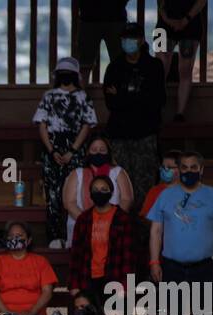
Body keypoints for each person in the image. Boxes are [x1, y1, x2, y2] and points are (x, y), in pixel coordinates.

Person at [147, 151, 213, 315]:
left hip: (203, 266)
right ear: (179, 170)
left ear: (201, 170)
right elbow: (156, 231)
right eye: (184, 167)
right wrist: (154, 262)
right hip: (171, 267)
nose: (189, 171)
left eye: (193, 167)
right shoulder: (165, 195)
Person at [33, 57, 96, 246]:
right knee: (53, 195)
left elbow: (87, 125)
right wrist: (52, 151)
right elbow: (41, 125)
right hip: (52, 148)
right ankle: (54, 238)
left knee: (75, 193)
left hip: (75, 147)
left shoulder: (83, 97)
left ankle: (74, 236)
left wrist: (72, 150)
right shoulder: (49, 96)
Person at [103, 21, 166, 199]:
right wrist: (137, 98)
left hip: (146, 134)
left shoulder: (154, 66)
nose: (128, 42)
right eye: (125, 38)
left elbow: (157, 100)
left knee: (145, 185)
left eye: (132, 38)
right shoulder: (114, 68)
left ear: (141, 40)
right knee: (119, 187)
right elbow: (111, 102)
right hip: (119, 135)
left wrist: (122, 96)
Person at [68, 174, 137, 315]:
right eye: (95, 189)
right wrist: (74, 284)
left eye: (104, 189)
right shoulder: (83, 219)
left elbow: (129, 257)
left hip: (114, 278)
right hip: (88, 279)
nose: (99, 192)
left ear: (111, 192)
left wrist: (126, 285)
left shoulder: (122, 219)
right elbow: (76, 254)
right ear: (90, 193)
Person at [0, 221, 56, 315]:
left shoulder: (40, 262)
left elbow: (47, 292)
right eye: (11, 236)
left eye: (19, 236)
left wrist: (30, 313)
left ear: (29, 240)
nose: (14, 238)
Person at [61, 135, 135, 244]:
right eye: (94, 150)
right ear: (88, 153)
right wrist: (89, 222)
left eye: (102, 150)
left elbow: (127, 199)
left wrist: (111, 221)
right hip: (82, 226)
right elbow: (69, 203)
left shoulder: (118, 171)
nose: (98, 153)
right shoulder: (77, 173)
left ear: (108, 153)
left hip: (113, 225)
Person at [157, 0, 208, 121]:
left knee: (185, 70)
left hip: (189, 24)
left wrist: (185, 20)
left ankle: (179, 114)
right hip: (165, 24)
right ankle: (157, 110)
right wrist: (167, 18)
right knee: (159, 69)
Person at [76, 1, 129, 81]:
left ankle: (78, 93)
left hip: (89, 17)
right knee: (121, 64)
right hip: (115, 17)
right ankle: (122, 92)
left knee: (84, 65)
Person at [139, 149, 182, 218]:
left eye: (169, 167)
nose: (164, 170)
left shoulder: (188, 191)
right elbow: (145, 216)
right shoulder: (155, 191)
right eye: (162, 167)